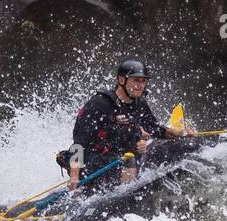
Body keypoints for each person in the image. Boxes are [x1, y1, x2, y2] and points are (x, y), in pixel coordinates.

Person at [68, 59, 199, 194]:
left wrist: (178, 133)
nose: (140, 85)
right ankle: (124, 196)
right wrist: (74, 176)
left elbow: (155, 129)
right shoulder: (100, 103)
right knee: (129, 160)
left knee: (145, 152)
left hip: (121, 158)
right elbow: (78, 143)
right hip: (92, 161)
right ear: (121, 80)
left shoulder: (139, 103)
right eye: (136, 81)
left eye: (143, 81)